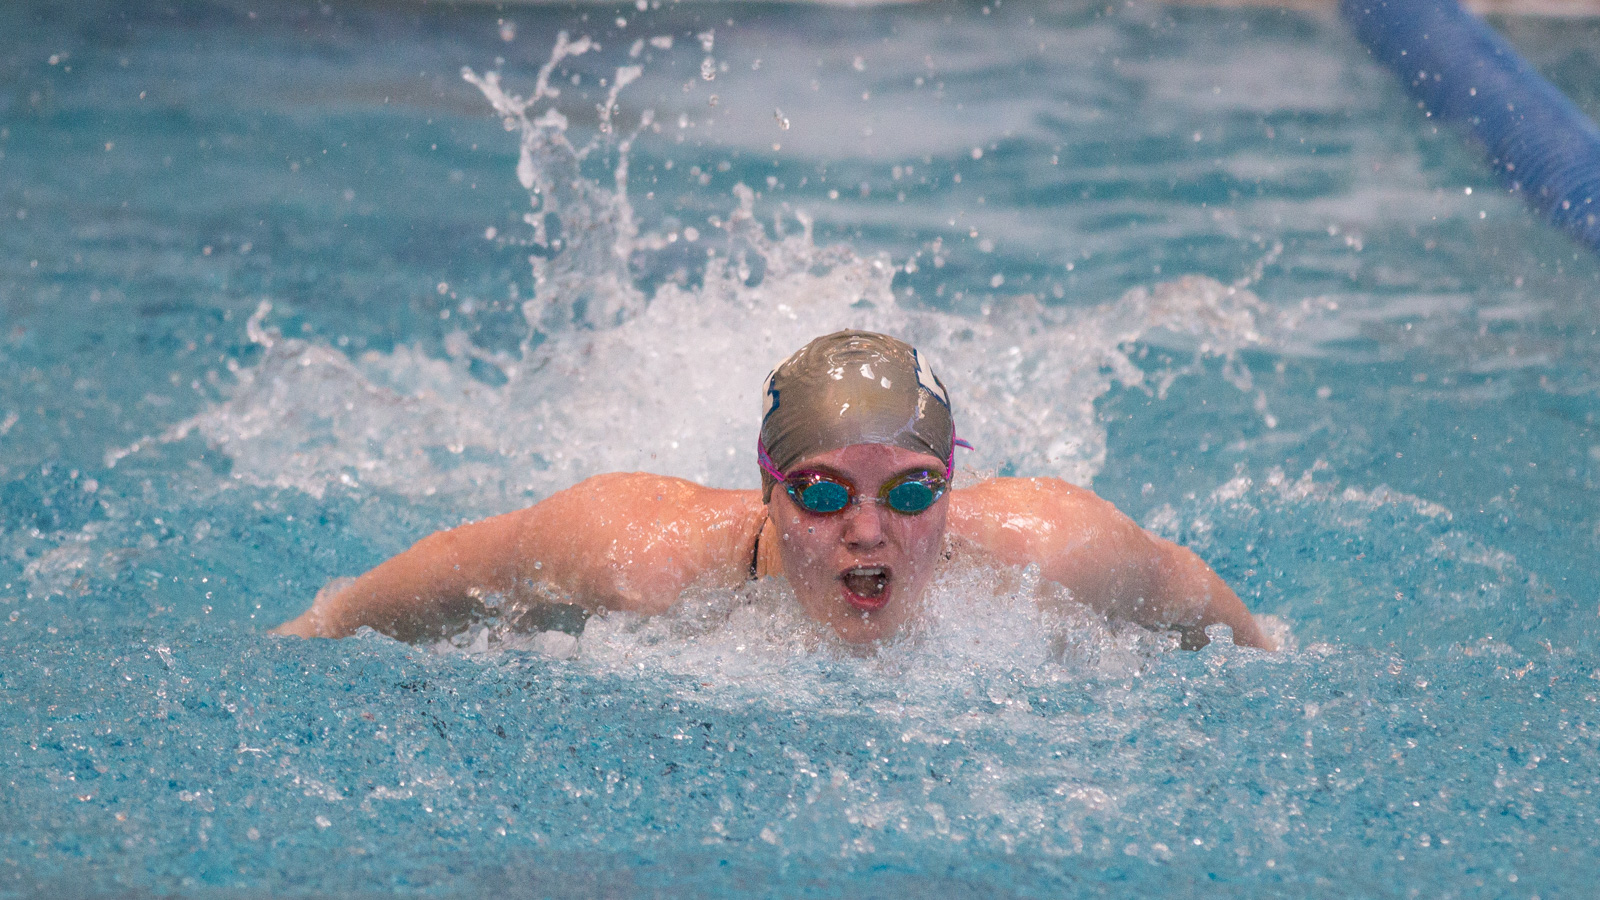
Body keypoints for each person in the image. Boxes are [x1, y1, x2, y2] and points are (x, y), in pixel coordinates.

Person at [273, 330, 1273, 650]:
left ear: (953, 487)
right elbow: (457, 569)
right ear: (765, 494)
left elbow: (1204, 607)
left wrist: (1273, 656)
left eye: (913, 495)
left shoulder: (1057, 551)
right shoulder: (639, 557)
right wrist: (309, 638)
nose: (869, 533)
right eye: (824, 495)